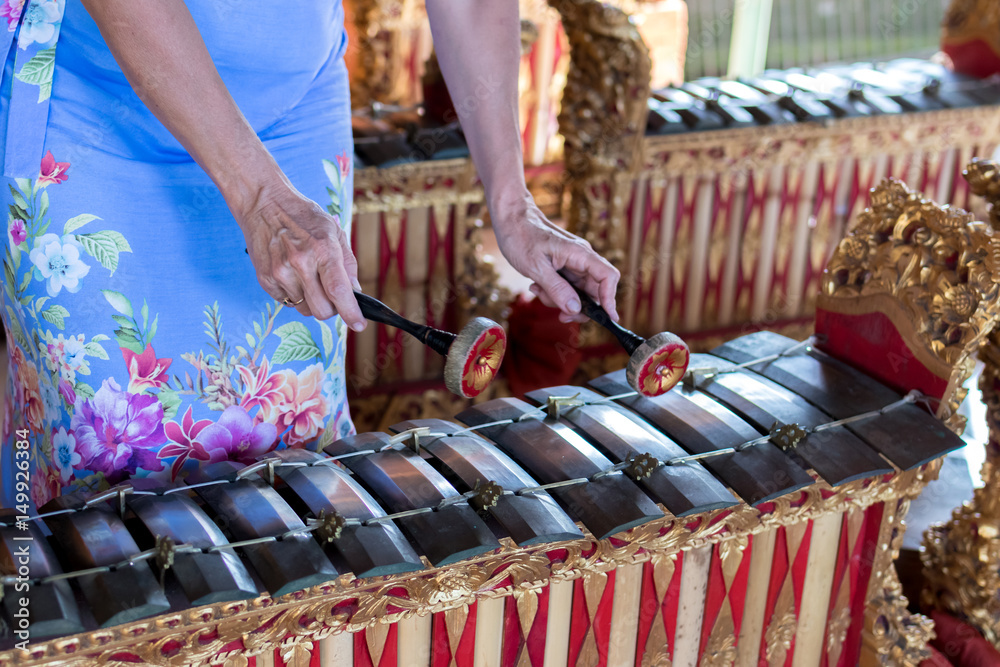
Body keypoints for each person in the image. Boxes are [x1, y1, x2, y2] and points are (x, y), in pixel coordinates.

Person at [0, 0, 620, 509]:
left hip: (293, 106)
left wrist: (514, 206)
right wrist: (261, 196)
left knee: (293, 455)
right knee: (110, 478)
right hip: (99, 101)